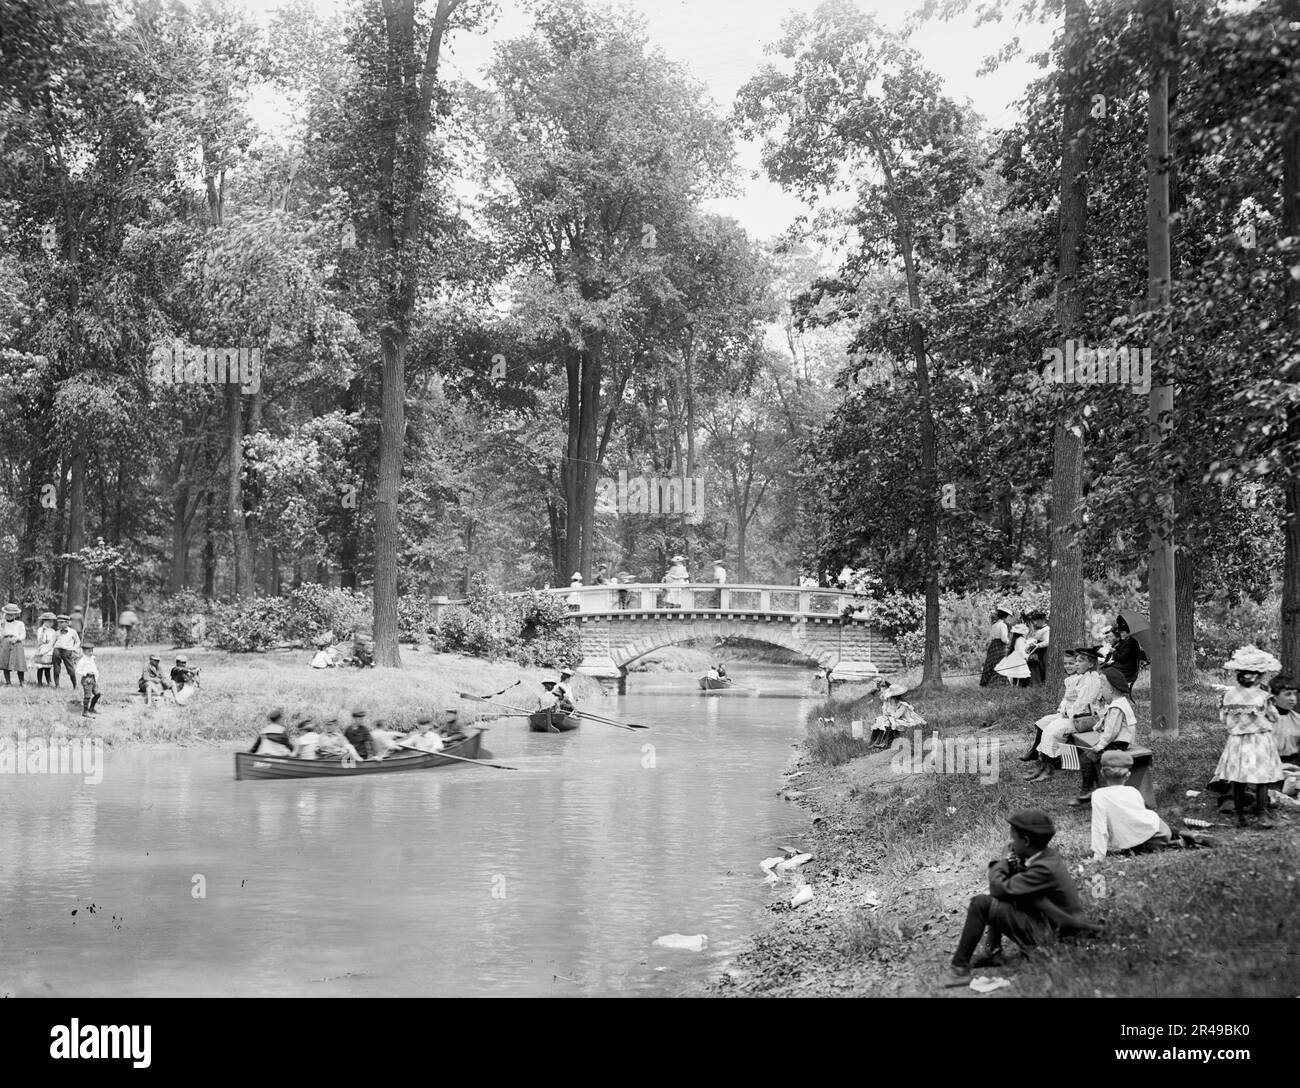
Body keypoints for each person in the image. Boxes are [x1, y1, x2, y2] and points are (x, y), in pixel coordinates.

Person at [947, 809, 1099, 979]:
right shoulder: (1047, 856)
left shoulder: (1044, 868)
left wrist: (1003, 862)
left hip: (1052, 939)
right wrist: (1014, 865)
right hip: (1052, 927)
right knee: (1003, 897)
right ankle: (992, 952)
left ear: (1026, 841)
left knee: (980, 903)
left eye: (1014, 838)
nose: (1011, 843)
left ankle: (959, 965)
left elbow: (998, 888)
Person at [1213, 646, 1285, 828]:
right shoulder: (1263, 696)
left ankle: (1239, 815)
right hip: (1259, 740)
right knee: (1262, 777)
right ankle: (1261, 814)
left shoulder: (1228, 696)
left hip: (1237, 741)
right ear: (1260, 676)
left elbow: (1223, 718)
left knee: (1238, 777)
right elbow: (1274, 716)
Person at [1026, 647, 1104, 781]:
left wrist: (1069, 712)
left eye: (1080, 661)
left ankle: (1049, 769)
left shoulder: (1092, 679)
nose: (1077, 664)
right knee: (1048, 729)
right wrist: (1066, 711)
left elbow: (1084, 702)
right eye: (1077, 661)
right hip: (1077, 716)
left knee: (1053, 732)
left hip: (1087, 719)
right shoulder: (1084, 677)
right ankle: (1043, 765)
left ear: (1090, 664)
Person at [1069, 665, 1138, 807]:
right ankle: (1094, 787)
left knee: (1087, 757)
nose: (1101, 692)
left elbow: (1111, 732)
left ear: (1111, 690)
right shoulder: (1120, 703)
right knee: (1091, 756)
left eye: (1102, 689)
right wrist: (1097, 726)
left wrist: (1099, 746)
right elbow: (1106, 721)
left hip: (1119, 744)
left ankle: (1087, 790)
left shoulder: (1116, 707)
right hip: (1121, 741)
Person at [870, 680, 925, 750]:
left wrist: (891, 711)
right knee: (880, 719)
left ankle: (886, 743)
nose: (890, 699)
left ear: (896, 697)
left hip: (905, 719)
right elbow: (885, 712)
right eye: (890, 697)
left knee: (888, 722)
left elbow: (896, 716)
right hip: (895, 718)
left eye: (892, 697)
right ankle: (875, 742)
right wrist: (889, 711)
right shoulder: (890, 703)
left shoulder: (903, 705)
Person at [1101, 615, 1146, 687]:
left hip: (1127, 671)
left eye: (1122, 632)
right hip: (1123, 667)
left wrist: (1114, 651)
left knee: (1104, 671)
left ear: (1128, 633)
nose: (1120, 634)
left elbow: (1121, 657)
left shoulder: (1131, 643)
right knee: (1103, 668)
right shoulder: (1125, 641)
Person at [1269, 674, 1300, 768]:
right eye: (1288, 694)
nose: (1293, 699)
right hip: (1270, 764)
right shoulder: (1265, 720)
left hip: (1294, 763)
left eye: (1295, 694)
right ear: (1274, 697)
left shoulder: (1297, 719)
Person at [979, 605, 1013, 687]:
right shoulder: (1003, 625)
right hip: (1000, 647)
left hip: (993, 646)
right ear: (1005, 617)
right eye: (1008, 617)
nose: (1009, 618)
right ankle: (999, 683)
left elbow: (990, 637)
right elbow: (1004, 639)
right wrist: (1010, 643)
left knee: (991, 664)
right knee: (1001, 663)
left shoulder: (994, 625)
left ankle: (987, 683)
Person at [995, 622, 1032, 687]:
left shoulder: (1016, 639)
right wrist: (1027, 656)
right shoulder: (1021, 639)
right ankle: (1016, 685)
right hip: (1019, 657)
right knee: (1019, 672)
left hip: (1015, 656)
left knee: (1015, 672)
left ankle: (1014, 685)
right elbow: (1021, 650)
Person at [51, 614, 81, 688]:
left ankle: (75, 685)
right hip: (57, 650)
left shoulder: (72, 632)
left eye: (62, 622)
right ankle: (57, 685)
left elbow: (78, 642)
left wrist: (74, 648)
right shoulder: (57, 632)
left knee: (71, 669)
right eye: (58, 622)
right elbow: (51, 643)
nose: (60, 624)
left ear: (67, 623)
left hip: (68, 651)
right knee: (56, 668)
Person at [1, 602, 27, 686]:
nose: (9, 616)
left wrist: (17, 639)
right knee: (5, 662)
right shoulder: (2, 623)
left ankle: (22, 681)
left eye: (11, 614)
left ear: (15, 615)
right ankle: (8, 682)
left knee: (19, 663)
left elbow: (23, 635)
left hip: (16, 643)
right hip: (5, 643)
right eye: (7, 614)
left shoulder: (19, 624)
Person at [1024, 609, 1050, 686]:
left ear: (1042, 620)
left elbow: (1047, 642)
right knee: (1033, 665)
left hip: (1042, 651)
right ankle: (1033, 683)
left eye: (1038, 620)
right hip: (1036, 650)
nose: (1036, 623)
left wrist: (1037, 645)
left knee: (1041, 666)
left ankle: (1040, 683)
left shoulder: (1046, 629)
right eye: (1035, 620)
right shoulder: (1038, 629)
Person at [75, 643, 101, 717]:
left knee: (98, 694)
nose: (91, 652)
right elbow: (77, 670)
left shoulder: (92, 659)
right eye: (89, 651)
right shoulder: (82, 660)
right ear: (84, 652)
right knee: (88, 695)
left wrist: (96, 675)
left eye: (92, 650)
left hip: (93, 678)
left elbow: (94, 668)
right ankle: (85, 712)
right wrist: (86, 672)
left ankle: (91, 708)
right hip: (87, 679)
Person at [33, 611, 56, 687]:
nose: (50, 623)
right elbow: (40, 640)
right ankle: (39, 682)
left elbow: (52, 642)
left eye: (51, 622)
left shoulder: (52, 631)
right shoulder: (40, 630)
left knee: (47, 667)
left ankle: (49, 681)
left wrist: (48, 649)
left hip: (48, 649)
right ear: (44, 621)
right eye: (48, 621)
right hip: (41, 648)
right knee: (40, 667)